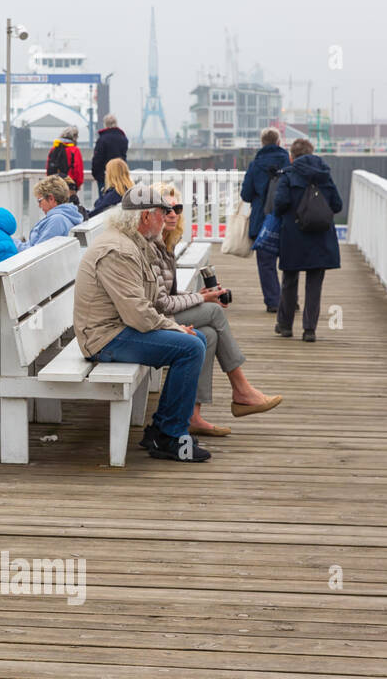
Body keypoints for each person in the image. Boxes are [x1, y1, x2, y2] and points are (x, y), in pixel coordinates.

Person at [72, 184, 210, 462]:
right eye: (163, 212)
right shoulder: (119, 250)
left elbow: (145, 305)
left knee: (197, 341)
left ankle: (162, 429)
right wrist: (175, 327)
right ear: (146, 216)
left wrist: (175, 328)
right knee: (191, 347)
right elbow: (136, 313)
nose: (167, 218)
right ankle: (171, 436)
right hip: (105, 338)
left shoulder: (134, 242)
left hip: (118, 328)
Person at [148, 183, 282, 437]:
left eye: (177, 208)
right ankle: (241, 389)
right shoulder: (150, 247)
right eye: (166, 209)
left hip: (162, 311)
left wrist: (204, 297)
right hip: (152, 319)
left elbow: (170, 295)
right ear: (151, 212)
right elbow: (158, 303)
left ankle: (192, 415)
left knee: (208, 334)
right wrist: (201, 299)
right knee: (215, 314)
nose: (173, 214)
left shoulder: (166, 244)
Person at [271, 138, 341, 341]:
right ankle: (309, 329)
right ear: (311, 153)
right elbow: (337, 205)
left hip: (293, 235)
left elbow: (280, 204)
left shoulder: (288, 175)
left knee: (289, 280)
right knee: (314, 284)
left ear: (292, 156)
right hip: (321, 236)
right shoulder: (324, 176)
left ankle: (285, 326)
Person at [239, 127, 289, 312]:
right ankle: (291, 300)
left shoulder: (255, 164)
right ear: (278, 142)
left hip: (262, 220)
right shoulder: (288, 162)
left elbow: (246, 194)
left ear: (262, 143)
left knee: (266, 263)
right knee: (289, 262)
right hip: (285, 217)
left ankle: (274, 301)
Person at [25, 176, 83, 246]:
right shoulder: (69, 215)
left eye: (39, 201)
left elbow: (38, 252)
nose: (39, 206)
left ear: (51, 199)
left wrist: (10, 243)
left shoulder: (57, 221)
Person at [91, 114, 128, 191]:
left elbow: (97, 159)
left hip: (105, 177)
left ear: (105, 124)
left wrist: (97, 175)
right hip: (120, 176)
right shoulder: (123, 138)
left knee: (104, 200)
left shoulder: (102, 139)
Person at [46, 125, 85, 192]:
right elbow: (78, 170)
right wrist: (77, 185)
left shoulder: (53, 149)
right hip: (69, 185)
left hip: (54, 184)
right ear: (75, 137)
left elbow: (48, 167)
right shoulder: (74, 150)